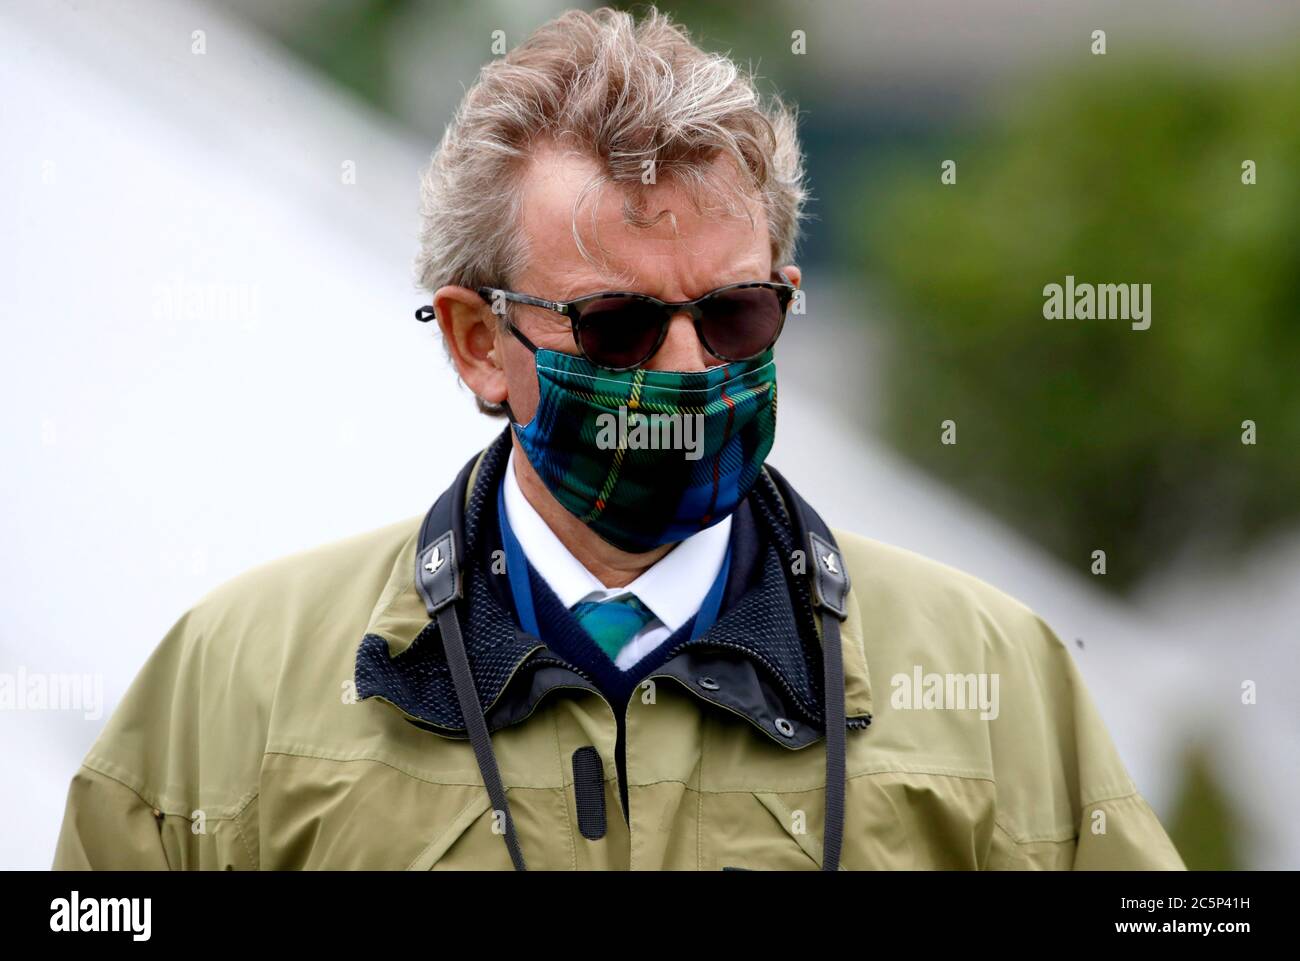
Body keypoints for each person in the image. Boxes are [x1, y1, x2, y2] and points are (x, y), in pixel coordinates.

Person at [53, 6, 1184, 870]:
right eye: (621, 324)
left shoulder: (991, 672)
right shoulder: (236, 679)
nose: (690, 367)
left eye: (737, 313)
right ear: (476, 343)